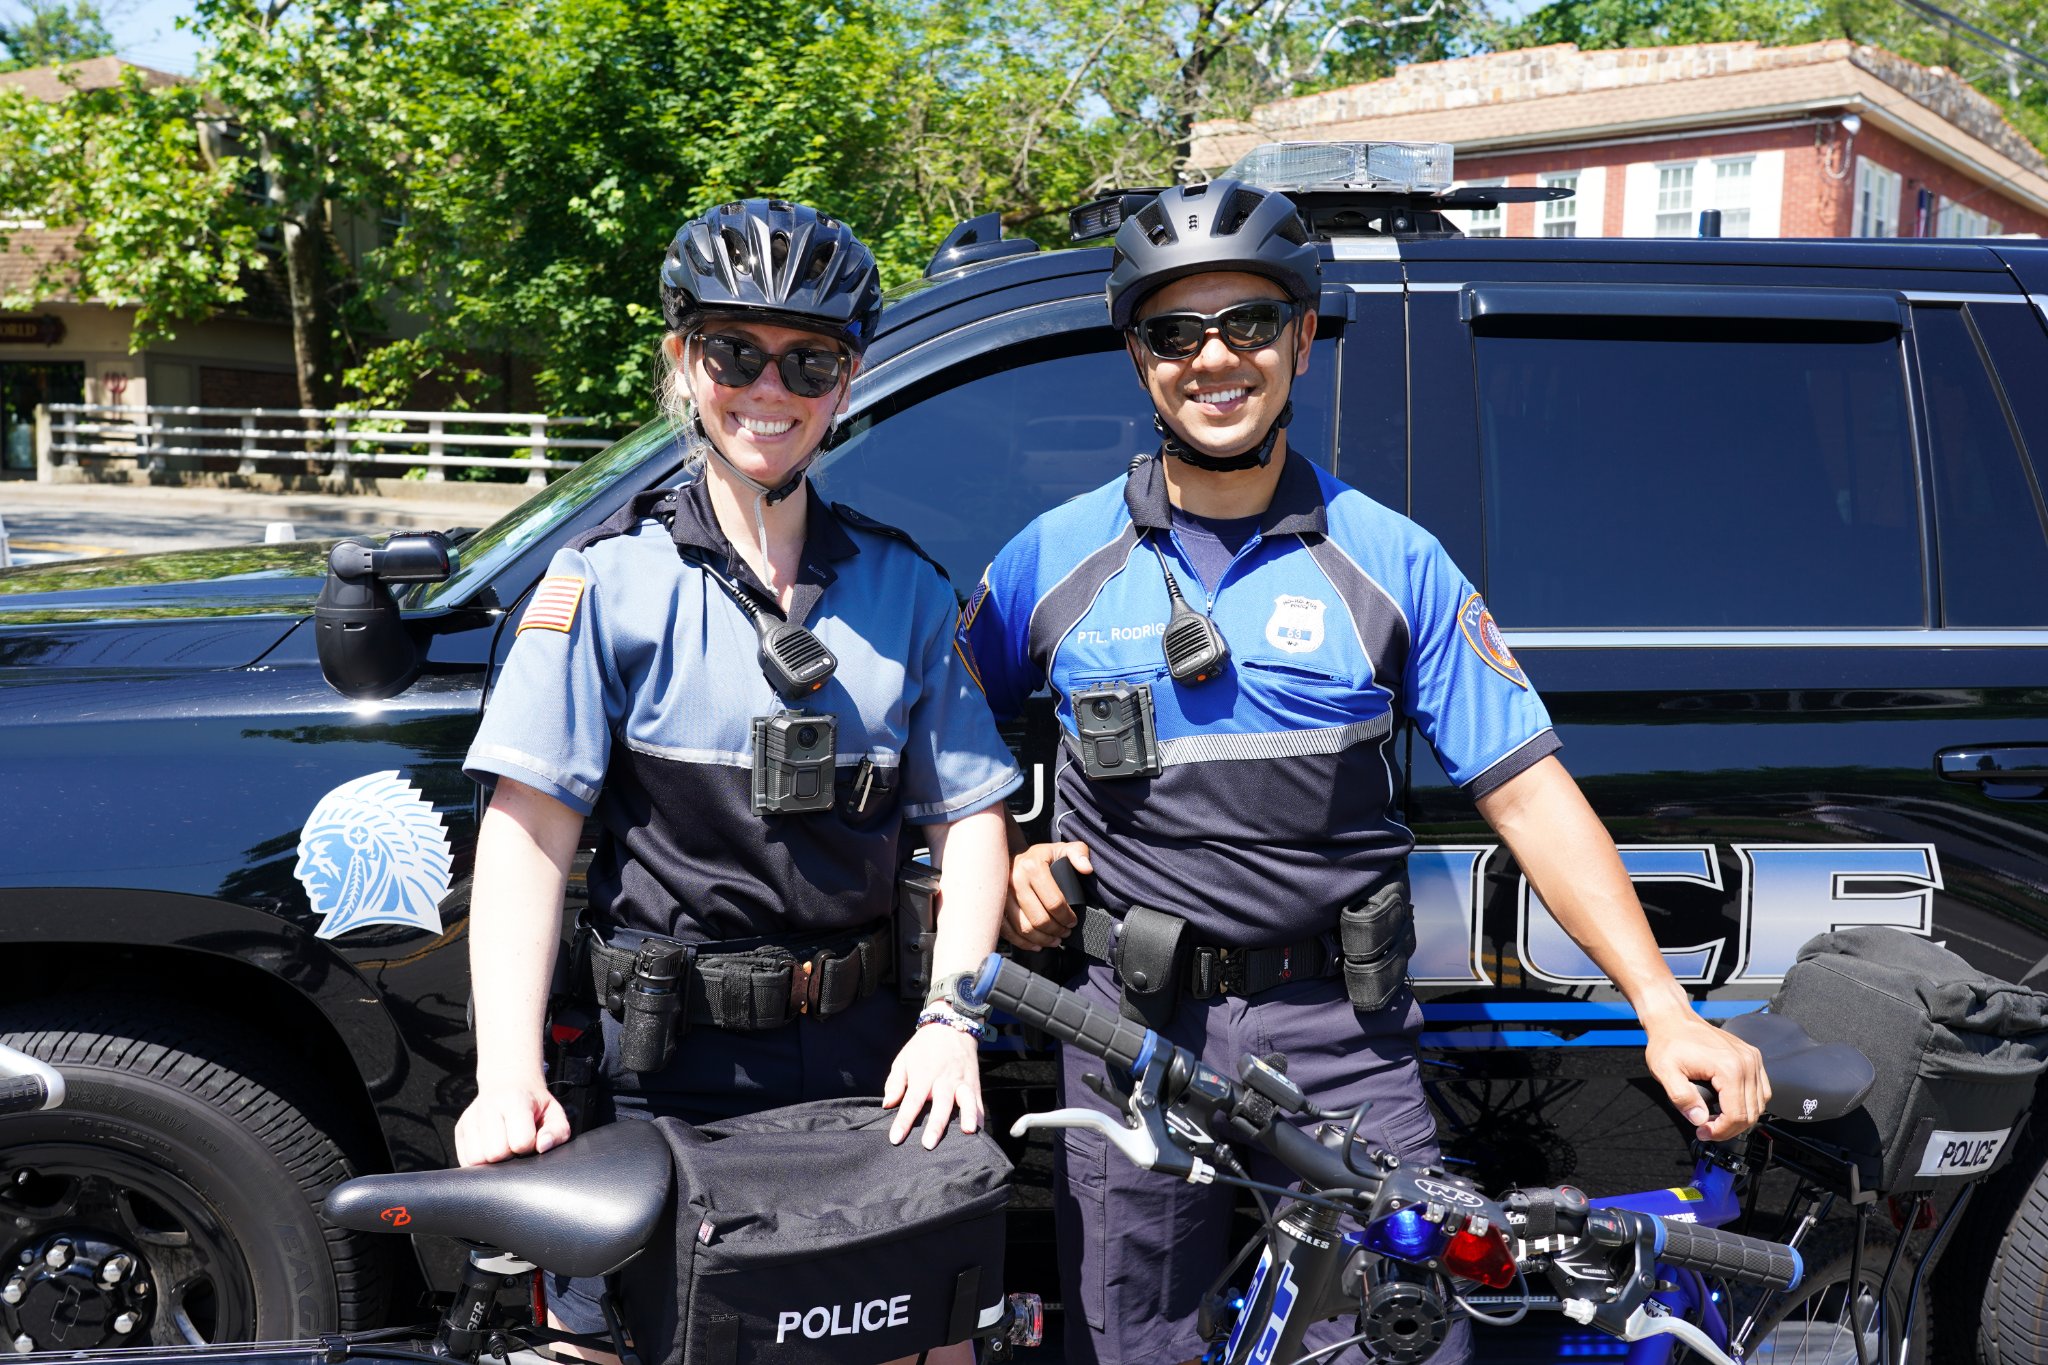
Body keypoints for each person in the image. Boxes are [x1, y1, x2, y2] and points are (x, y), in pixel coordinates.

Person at [953, 179, 1770, 1365]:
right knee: (1130, 1345)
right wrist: (1016, 857)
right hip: (1127, 1028)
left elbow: (1524, 789)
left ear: (1298, 338)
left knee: (1391, 1341)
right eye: (1175, 333)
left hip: (1339, 1034)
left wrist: (1662, 1008)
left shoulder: (1391, 561)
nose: (1212, 359)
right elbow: (944, 759)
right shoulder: (1050, 558)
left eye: (1247, 322)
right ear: (1138, 357)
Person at [456, 198, 1021, 1350]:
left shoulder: (907, 590)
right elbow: (525, 841)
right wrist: (505, 1072)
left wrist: (951, 1021)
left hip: (870, 1064)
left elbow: (970, 823)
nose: (769, 389)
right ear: (683, 360)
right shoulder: (606, 582)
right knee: (614, 1340)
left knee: (925, 1335)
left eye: (807, 361)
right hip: (664, 1068)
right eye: (734, 353)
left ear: (845, 383)